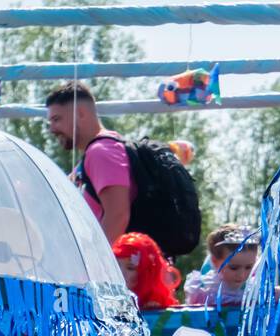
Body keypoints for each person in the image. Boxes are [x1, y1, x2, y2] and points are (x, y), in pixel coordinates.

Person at [46, 81, 134, 244]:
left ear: (80, 113)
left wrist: (96, 260)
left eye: (56, 119)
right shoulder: (93, 155)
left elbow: (118, 216)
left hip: (116, 259)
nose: (52, 129)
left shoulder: (101, 152)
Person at [184, 225, 259, 309]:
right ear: (215, 261)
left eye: (249, 267)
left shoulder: (256, 291)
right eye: (233, 268)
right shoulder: (203, 291)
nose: (242, 275)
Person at [113, 232, 180, 310]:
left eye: (130, 268)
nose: (121, 272)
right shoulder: (106, 298)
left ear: (148, 273)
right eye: (116, 266)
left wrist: (153, 311)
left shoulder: (156, 305)